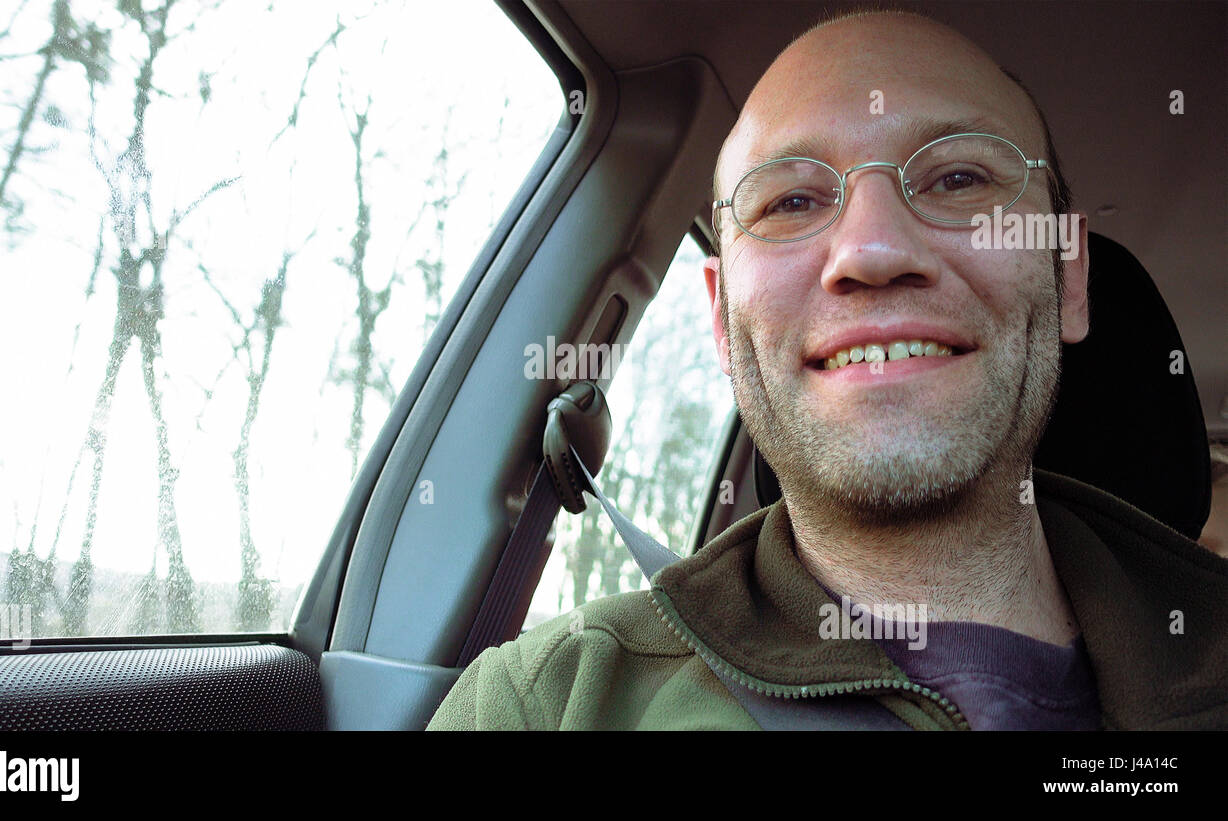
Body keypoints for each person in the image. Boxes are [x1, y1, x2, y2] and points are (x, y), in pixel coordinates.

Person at [427, 9, 1228, 730]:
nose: (873, 251)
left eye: (958, 179)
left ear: (1069, 275)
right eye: (791, 202)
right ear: (719, 316)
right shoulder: (550, 703)